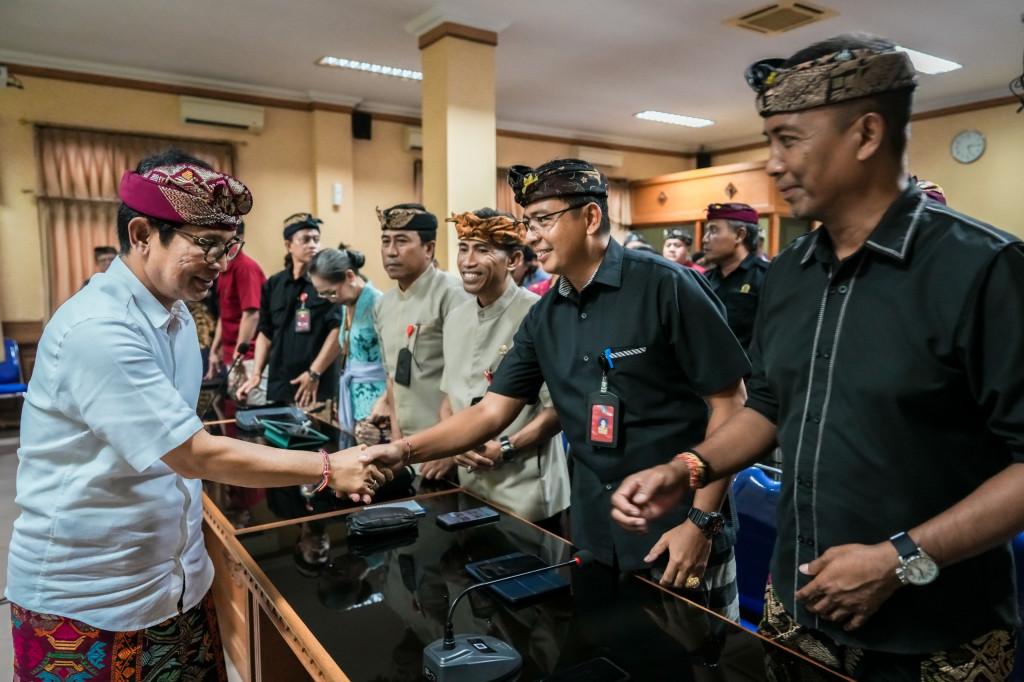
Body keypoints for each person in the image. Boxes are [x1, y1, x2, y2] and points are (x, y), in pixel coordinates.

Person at [611, 34, 1024, 680]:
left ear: (865, 134)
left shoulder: (982, 269)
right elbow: (773, 403)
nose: (771, 164)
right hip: (797, 611)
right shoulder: (793, 272)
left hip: (937, 633)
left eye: (789, 139)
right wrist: (689, 465)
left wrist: (899, 559)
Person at [5, 149, 390, 681]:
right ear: (141, 235)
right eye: (205, 244)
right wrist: (327, 467)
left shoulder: (178, 315)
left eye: (229, 246)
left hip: (175, 580)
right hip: (92, 595)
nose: (221, 262)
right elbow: (189, 452)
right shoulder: (98, 328)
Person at [362, 159, 750, 619]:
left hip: (677, 529)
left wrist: (701, 522)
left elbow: (731, 405)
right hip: (593, 533)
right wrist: (404, 451)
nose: (531, 235)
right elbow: (489, 414)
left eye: (544, 219)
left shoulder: (665, 285)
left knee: (697, 665)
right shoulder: (546, 316)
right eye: (528, 222)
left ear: (589, 218)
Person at [441, 208, 570, 533]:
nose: (467, 261)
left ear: (513, 260)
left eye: (482, 250)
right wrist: (454, 443)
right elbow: (450, 397)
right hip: (468, 486)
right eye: (463, 248)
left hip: (526, 494)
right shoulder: (455, 317)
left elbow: (559, 409)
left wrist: (506, 447)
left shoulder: (538, 314)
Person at [369, 203, 471, 479]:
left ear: (428, 248)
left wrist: (451, 449)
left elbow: (466, 379)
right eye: (386, 241)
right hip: (407, 448)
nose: (391, 251)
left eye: (402, 241)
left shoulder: (454, 295)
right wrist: (397, 442)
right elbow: (391, 377)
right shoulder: (384, 303)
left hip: (448, 450)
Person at [236, 213, 343, 409]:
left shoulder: (328, 284)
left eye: (316, 239)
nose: (313, 245)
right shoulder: (273, 285)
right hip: (282, 383)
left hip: (316, 385)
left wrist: (314, 373)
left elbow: (338, 330)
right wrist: (257, 374)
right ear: (289, 245)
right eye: (305, 239)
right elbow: (265, 333)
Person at [307, 247, 386, 448]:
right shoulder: (346, 304)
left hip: (379, 402)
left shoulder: (379, 304)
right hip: (353, 397)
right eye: (323, 295)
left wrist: (387, 400)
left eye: (332, 292)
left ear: (350, 276)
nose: (331, 299)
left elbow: (397, 362)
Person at [205, 219, 268, 401]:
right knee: (234, 410)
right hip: (231, 355)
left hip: (249, 356)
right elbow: (225, 315)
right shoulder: (224, 270)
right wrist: (215, 350)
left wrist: (238, 355)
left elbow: (252, 314)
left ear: (239, 238)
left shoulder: (246, 268)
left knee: (251, 408)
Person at [700, 202, 769, 349]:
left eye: (713, 230)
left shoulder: (766, 276)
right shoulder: (705, 279)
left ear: (739, 235)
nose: (705, 239)